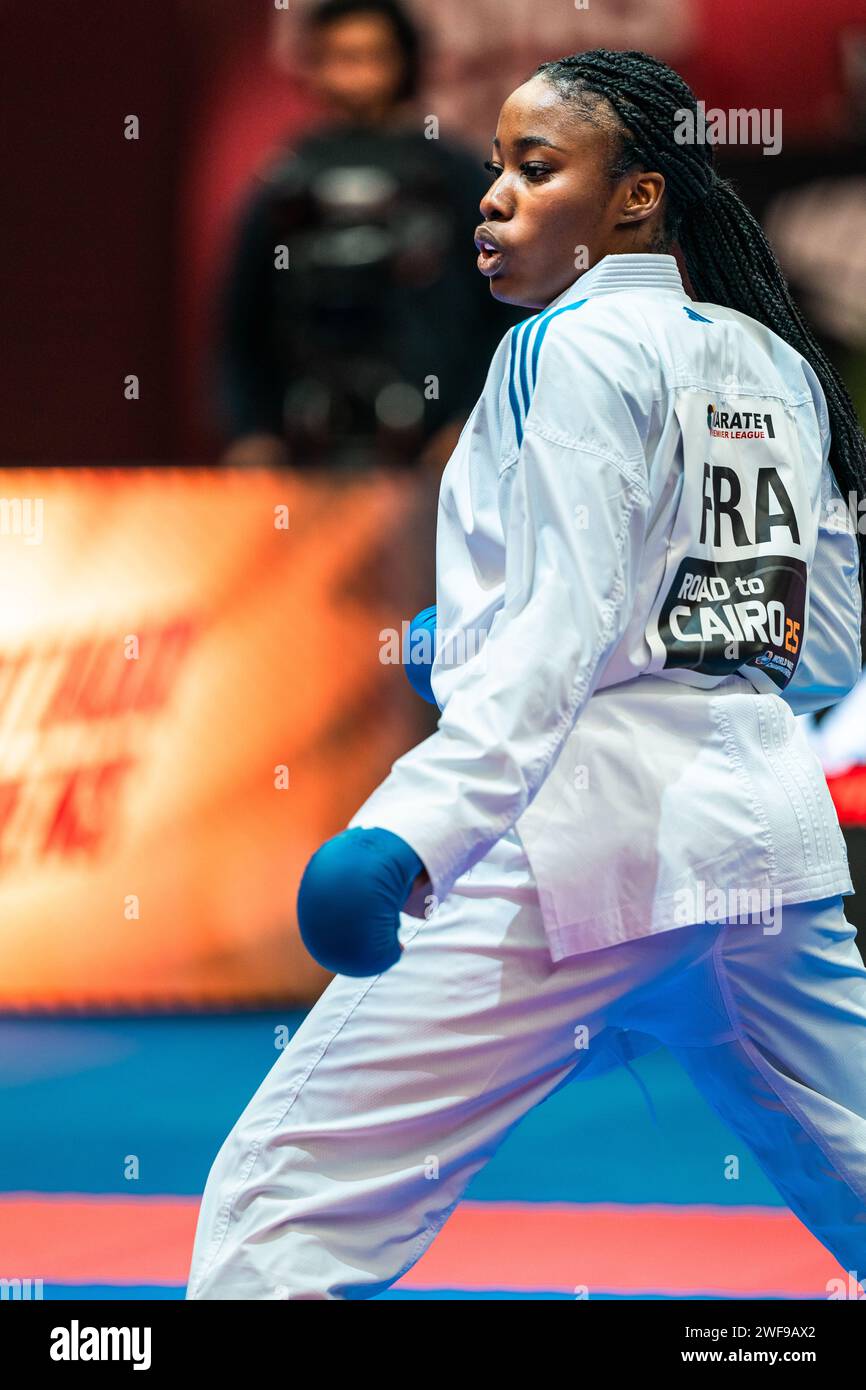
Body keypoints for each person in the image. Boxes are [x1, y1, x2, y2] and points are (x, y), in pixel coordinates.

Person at [187, 48, 866, 1301]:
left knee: (288, 1200)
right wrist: (491, 630)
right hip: (761, 851)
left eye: (536, 168)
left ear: (636, 197)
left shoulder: (565, 345)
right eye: (497, 164)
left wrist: (407, 831)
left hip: (580, 845)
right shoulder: (773, 363)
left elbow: (559, 642)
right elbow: (818, 643)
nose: (492, 195)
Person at [217, 0, 519, 474]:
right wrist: (250, 430)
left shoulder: (451, 178)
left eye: (370, 56)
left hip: (430, 450)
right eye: (338, 57)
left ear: (406, 62)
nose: (353, 75)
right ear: (312, 67)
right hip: (305, 447)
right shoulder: (284, 182)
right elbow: (241, 319)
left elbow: (504, 308)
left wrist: (471, 422)